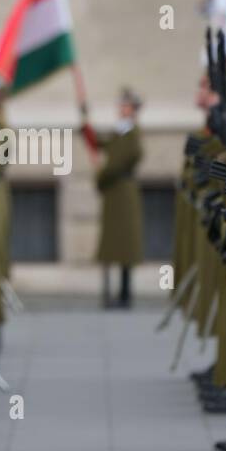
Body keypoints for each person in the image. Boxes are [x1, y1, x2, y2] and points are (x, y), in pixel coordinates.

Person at [84, 87, 144, 308]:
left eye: (125, 105)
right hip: (113, 194)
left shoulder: (132, 134)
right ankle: (110, 293)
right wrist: (87, 128)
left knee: (124, 246)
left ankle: (125, 294)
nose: (121, 109)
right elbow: (102, 144)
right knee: (110, 245)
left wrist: (100, 177)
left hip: (123, 193)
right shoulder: (120, 132)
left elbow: (119, 161)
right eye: (121, 105)